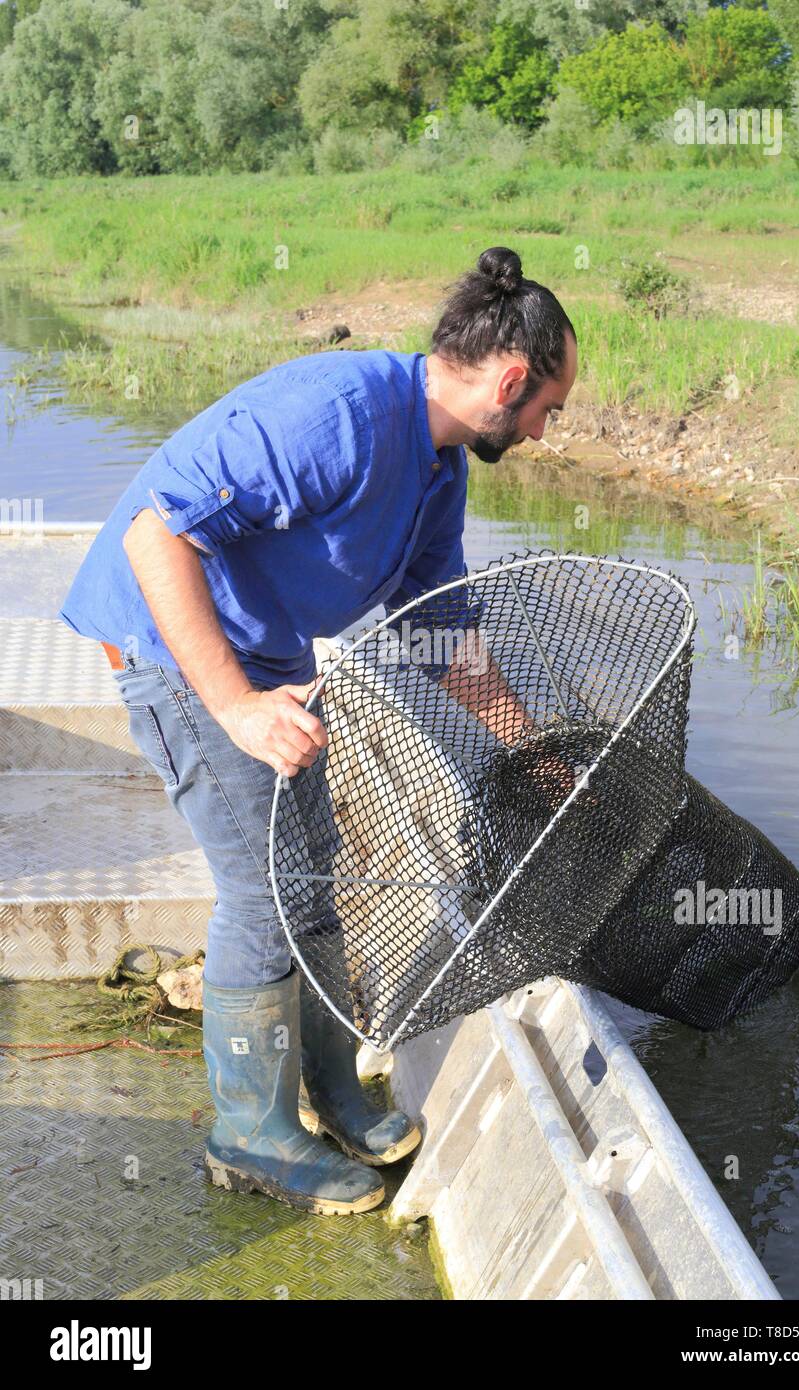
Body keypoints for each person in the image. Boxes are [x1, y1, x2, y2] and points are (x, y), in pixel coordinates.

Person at [59, 246, 577, 1216]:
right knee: (261, 892)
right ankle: (247, 1131)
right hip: (176, 655)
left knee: (314, 870)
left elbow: (441, 635)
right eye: (549, 407)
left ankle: (331, 1090)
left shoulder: (437, 471)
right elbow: (153, 533)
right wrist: (239, 707)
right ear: (511, 379)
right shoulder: (337, 413)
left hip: (263, 665)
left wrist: (534, 750)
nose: (546, 430)